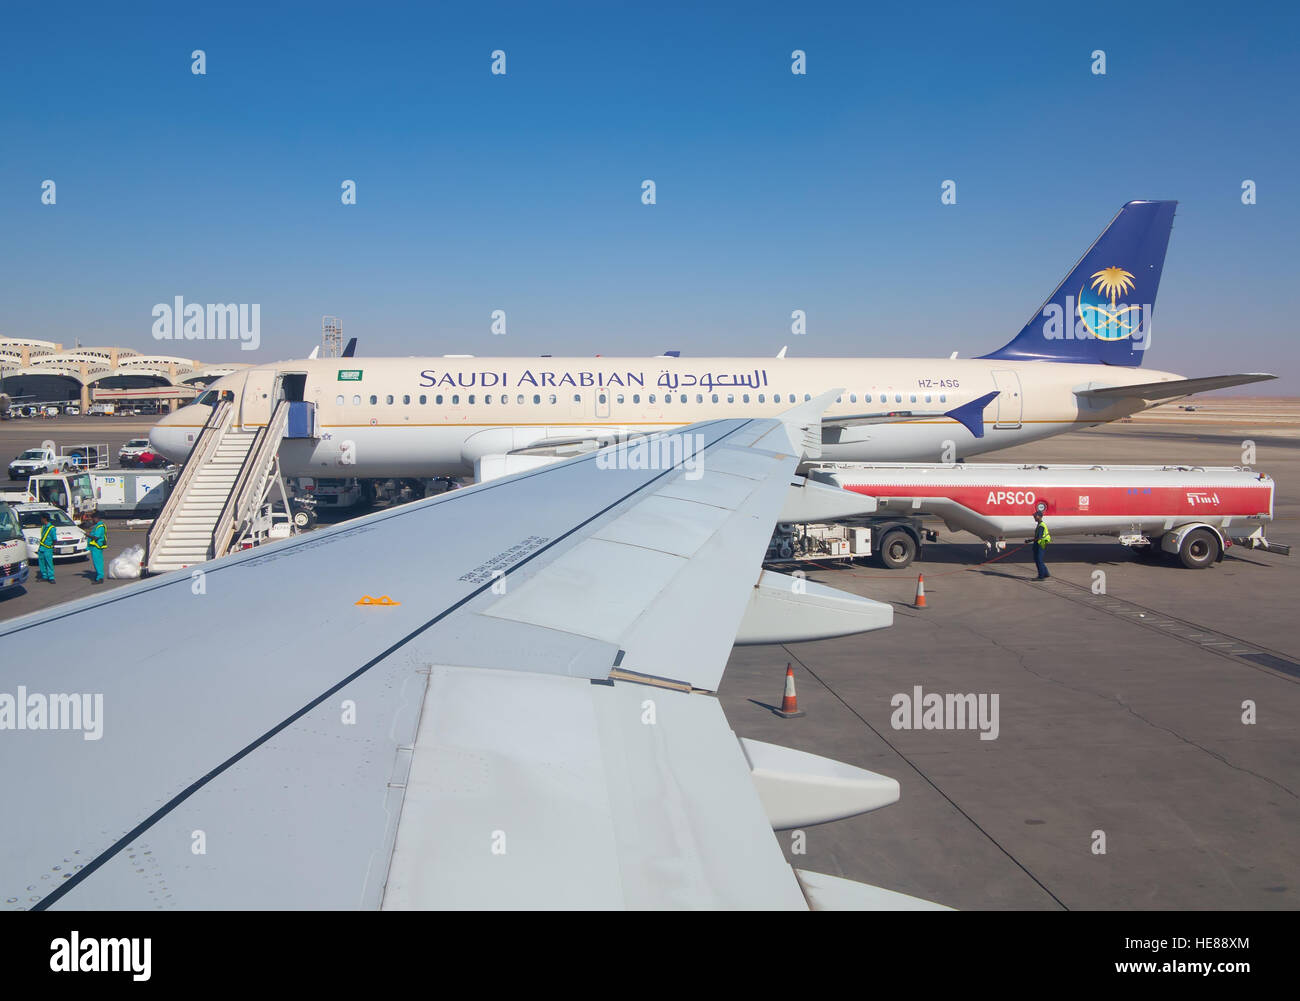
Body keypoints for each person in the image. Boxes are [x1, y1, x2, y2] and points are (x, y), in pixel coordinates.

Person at [84, 514, 108, 584]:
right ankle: (99, 576)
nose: (92, 520)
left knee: (98, 562)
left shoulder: (100, 527)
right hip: (95, 547)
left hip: (97, 547)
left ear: (96, 518)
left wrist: (88, 535)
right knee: (97, 562)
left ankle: (100, 578)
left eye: (93, 519)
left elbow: (96, 537)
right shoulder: (98, 525)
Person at [37, 513, 57, 583]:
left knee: (49, 563)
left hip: (48, 548)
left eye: (42, 518)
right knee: (41, 562)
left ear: (44, 519)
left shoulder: (51, 528)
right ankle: (44, 576)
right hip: (41, 547)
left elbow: (55, 539)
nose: (41, 520)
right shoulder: (43, 527)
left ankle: (51, 577)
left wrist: (53, 547)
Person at [1032, 509, 1051, 580]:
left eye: (1035, 516)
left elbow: (1039, 537)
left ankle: (1041, 576)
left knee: (1038, 560)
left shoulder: (1041, 526)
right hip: (1040, 544)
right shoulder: (1040, 524)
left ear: (1039, 517)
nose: (1034, 517)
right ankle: (1046, 573)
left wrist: (1029, 540)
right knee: (1040, 560)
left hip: (1040, 545)